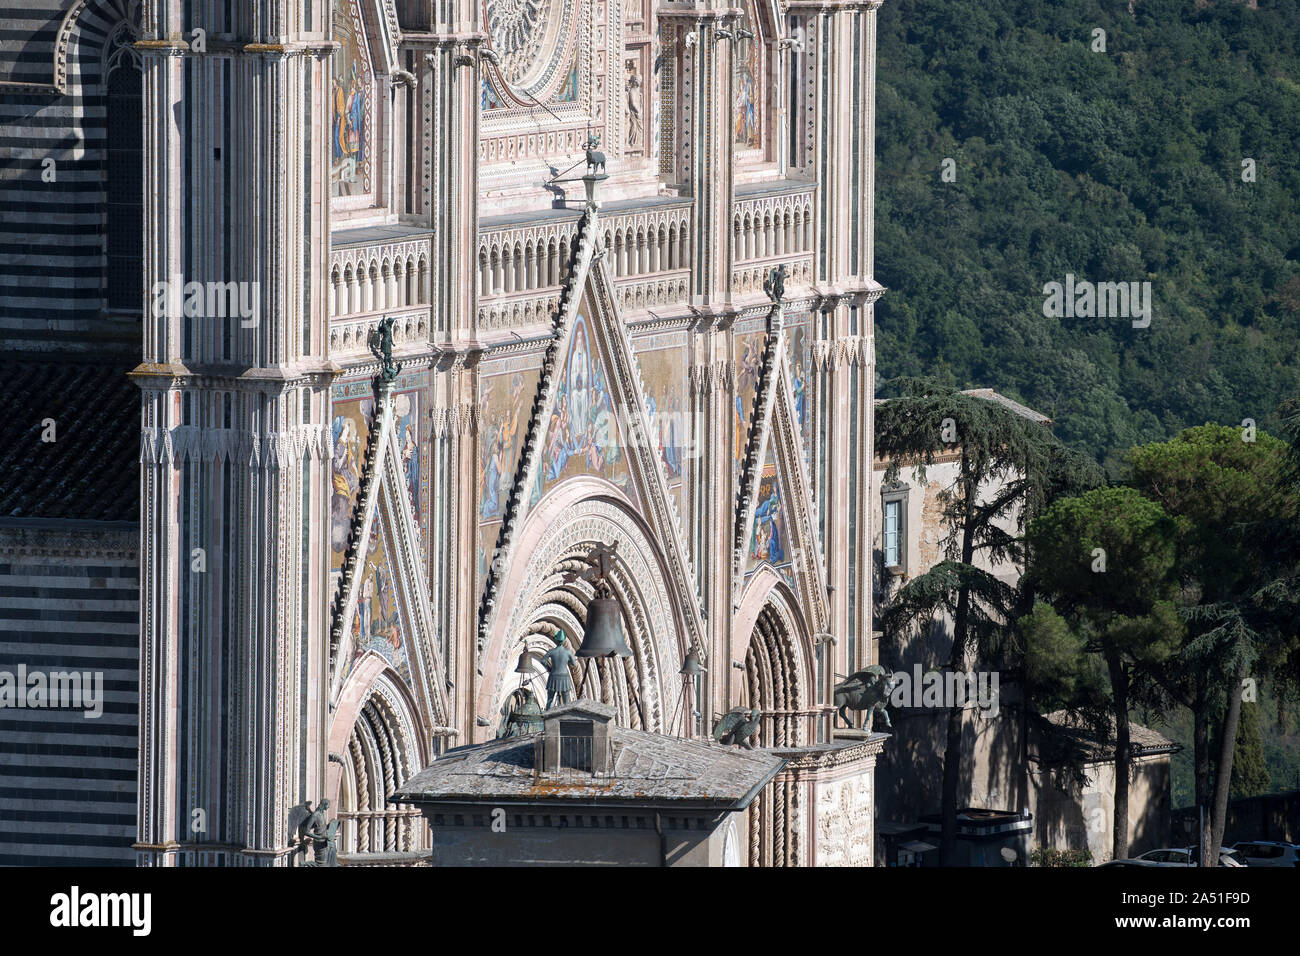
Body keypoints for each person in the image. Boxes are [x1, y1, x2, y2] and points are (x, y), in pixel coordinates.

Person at [541, 631, 577, 709]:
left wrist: (549, 668)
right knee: (566, 702)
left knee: (549, 701)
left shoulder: (552, 651)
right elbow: (574, 664)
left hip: (553, 676)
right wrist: (569, 660)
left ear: (556, 640)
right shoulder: (568, 652)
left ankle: (547, 717)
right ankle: (566, 718)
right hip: (564, 677)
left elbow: (543, 661)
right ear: (564, 641)